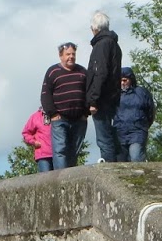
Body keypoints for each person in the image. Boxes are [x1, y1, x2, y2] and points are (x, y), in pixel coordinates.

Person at [40, 42, 87, 170]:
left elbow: (89, 92)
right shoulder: (52, 72)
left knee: (74, 150)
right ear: (61, 56)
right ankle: (61, 177)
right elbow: (45, 94)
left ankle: (70, 176)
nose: (71, 57)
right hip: (60, 119)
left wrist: (85, 113)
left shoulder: (82, 72)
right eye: (68, 54)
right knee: (60, 150)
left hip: (79, 119)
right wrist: (53, 114)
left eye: (73, 54)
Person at [85, 11, 123, 162]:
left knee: (103, 137)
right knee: (112, 135)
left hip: (102, 99)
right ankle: (119, 163)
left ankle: (109, 167)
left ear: (94, 28)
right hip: (113, 97)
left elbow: (100, 73)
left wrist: (93, 99)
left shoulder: (101, 45)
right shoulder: (115, 45)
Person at [114, 67, 156, 162]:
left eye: (125, 80)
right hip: (119, 132)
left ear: (131, 80)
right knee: (120, 163)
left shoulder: (142, 93)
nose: (122, 83)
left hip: (138, 132)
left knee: (136, 158)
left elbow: (151, 111)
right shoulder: (115, 95)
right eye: (120, 81)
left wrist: (143, 125)